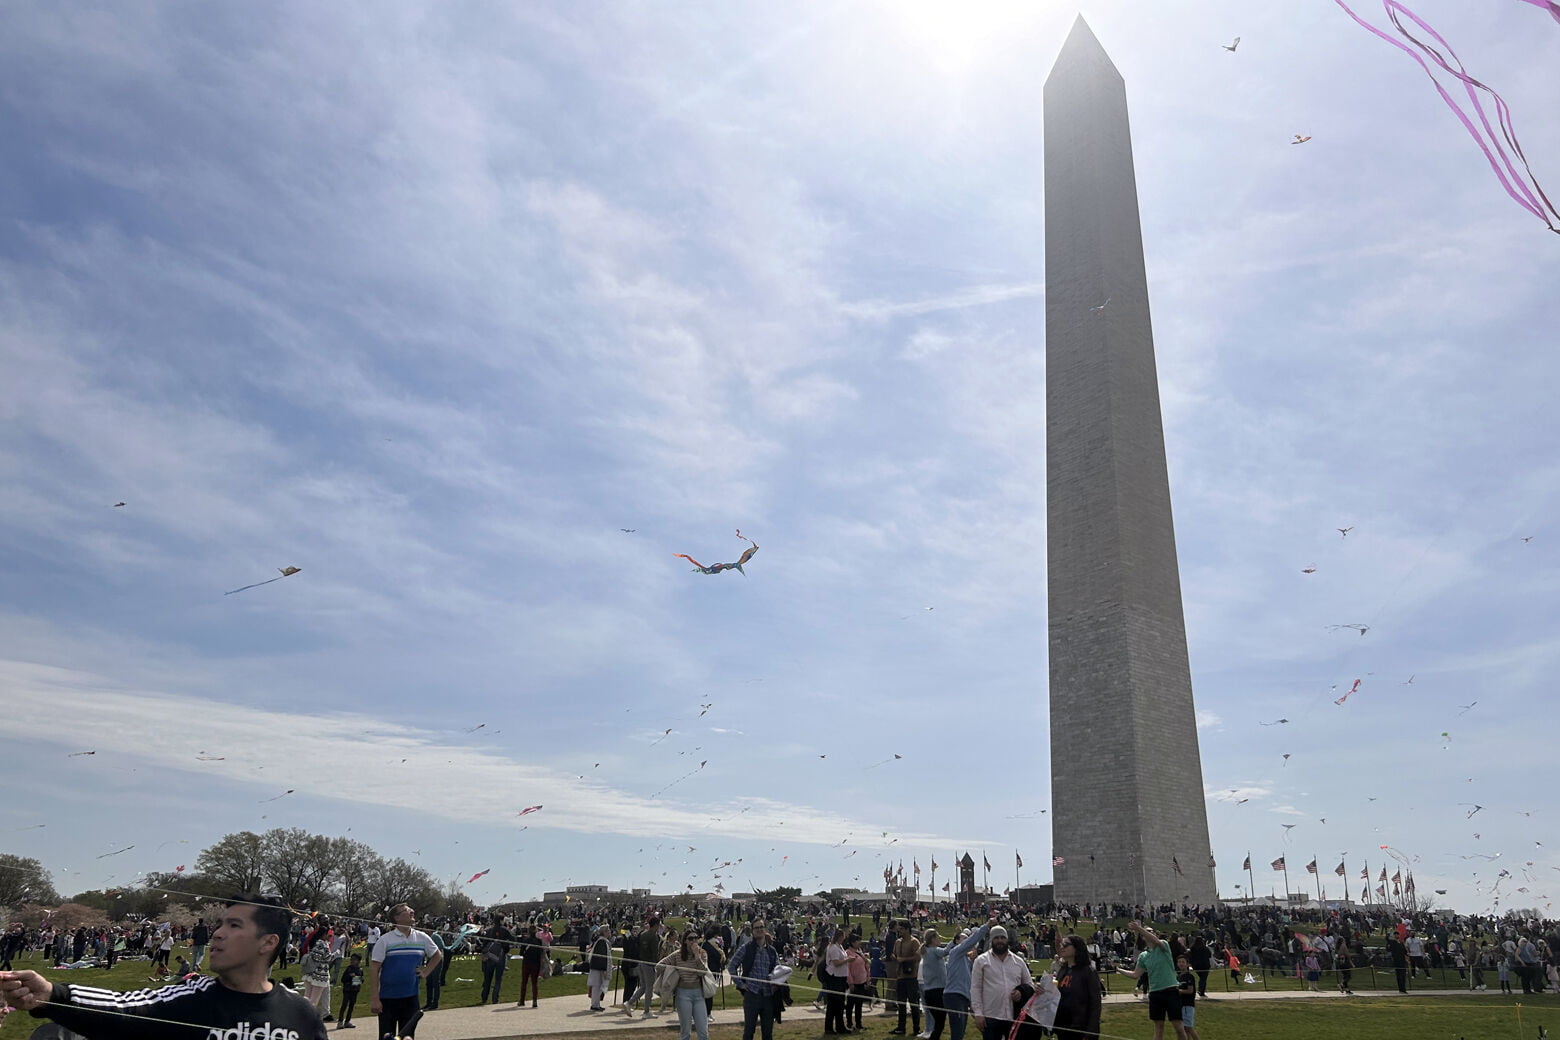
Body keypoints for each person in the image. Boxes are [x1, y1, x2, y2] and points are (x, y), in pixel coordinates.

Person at [0, 894, 327, 1040]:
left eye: (234, 926)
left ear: (268, 943)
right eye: (220, 924)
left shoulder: (302, 1014)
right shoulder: (191, 997)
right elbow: (123, 1009)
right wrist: (51, 994)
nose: (217, 933)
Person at [369, 903, 441, 1040]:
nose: (412, 912)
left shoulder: (422, 937)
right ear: (397, 918)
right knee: (386, 1037)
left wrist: (425, 972)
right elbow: (374, 968)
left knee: (407, 1037)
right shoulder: (385, 940)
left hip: (411, 998)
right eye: (407, 911)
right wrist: (374, 998)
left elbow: (437, 955)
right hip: (387, 999)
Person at [1116, 921, 1185, 1040]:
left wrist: (1139, 928)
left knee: (1178, 1026)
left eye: (1152, 931)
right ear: (1143, 937)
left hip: (1171, 991)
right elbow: (1135, 974)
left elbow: (1157, 941)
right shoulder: (1144, 955)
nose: (1151, 933)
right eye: (1148, 932)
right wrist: (1118, 969)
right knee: (1158, 1028)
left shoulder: (1163, 945)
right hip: (1155, 993)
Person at [970, 924, 1032, 1040]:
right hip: (990, 1016)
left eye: (1002, 938)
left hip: (1013, 1016)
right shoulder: (981, 961)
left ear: (1007, 940)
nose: (1000, 941)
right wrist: (978, 1013)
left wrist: (1021, 992)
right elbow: (975, 988)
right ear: (991, 940)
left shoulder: (1018, 961)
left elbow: (1029, 985)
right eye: (996, 938)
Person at [730, 919, 780, 1040]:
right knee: (749, 1032)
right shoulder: (746, 948)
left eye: (761, 927)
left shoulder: (772, 951)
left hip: (768, 996)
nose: (759, 930)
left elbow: (778, 970)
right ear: (752, 931)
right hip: (752, 995)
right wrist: (741, 985)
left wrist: (777, 981)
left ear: (765, 929)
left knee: (767, 1033)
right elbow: (731, 967)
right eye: (756, 928)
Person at [659, 930, 711, 1040]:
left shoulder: (702, 953)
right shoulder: (677, 955)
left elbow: (702, 972)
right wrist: (673, 972)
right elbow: (659, 966)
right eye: (691, 939)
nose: (694, 941)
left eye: (696, 938)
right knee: (685, 1032)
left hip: (698, 994)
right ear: (685, 941)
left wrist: (697, 956)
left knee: (703, 1032)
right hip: (683, 994)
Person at [1051, 934, 1101, 1040]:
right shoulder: (1063, 970)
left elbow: (1095, 1004)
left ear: (1077, 947)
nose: (1062, 947)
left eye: (1066, 945)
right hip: (1063, 1027)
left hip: (1080, 1028)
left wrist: (1091, 1031)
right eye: (1061, 945)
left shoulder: (1088, 972)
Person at [890, 919, 923, 1037]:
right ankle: (901, 1027)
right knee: (901, 1003)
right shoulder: (897, 942)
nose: (899, 932)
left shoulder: (915, 942)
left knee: (914, 1003)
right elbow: (893, 954)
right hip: (900, 976)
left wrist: (904, 959)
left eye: (901, 929)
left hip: (912, 976)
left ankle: (916, 1028)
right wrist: (895, 957)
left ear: (907, 929)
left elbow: (918, 957)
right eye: (898, 929)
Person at [627, 914, 664, 1018]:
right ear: (656, 925)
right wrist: (658, 963)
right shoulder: (653, 936)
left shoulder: (643, 934)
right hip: (649, 964)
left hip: (641, 962)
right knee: (649, 987)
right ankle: (646, 1011)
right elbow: (654, 953)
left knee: (643, 986)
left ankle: (629, 1002)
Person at [918, 926, 948, 1040]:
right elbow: (946, 951)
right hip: (937, 991)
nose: (939, 940)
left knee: (938, 1023)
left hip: (930, 991)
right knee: (940, 1022)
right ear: (933, 939)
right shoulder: (934, 951)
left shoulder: (926, 952)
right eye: (938, 938)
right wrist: (954, 942)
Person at [301, 931, 335, 1022]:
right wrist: (336, 953)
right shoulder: (323, 945)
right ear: (323, 935)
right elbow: (328, 958)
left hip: (310, 972)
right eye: (328, 935)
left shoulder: (314, 943)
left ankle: (302, 1015)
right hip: (320, 974)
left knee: (307, 996)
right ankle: (307, 1019)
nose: (329, 937)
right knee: (314, 999)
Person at [478, 915, 511, 1005]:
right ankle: (495, 999)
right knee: (498, 979)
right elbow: (513, 939)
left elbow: (484, 943)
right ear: (501, 920)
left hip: (490, 957)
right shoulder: (505, 930)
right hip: (500, 956)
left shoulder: (489, 931)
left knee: (487, 978)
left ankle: (484, 998)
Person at [824, 928, 850, 1035]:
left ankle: (840, 1026)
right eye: (843, 936)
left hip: (841, 977)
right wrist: (848, 960)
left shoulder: (840, 947)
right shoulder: (834, 948)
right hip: (835, 978)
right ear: (840, 936)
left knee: (839, 1004)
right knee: (833, 1004)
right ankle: (829, 1028)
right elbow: (836, 963)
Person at [845, 935, 871, 1032]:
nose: (859, 942)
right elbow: (847, 969)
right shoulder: (848, 953)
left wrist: (868, 979)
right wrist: (850, 983)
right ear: (852, 942)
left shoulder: (860, 952)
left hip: (862, 982)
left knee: (859, 1005)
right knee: (850, 1005)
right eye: (857, 941)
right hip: (853, 983)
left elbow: (866, 965)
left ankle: (859, 1023)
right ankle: (849, 1023)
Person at [517, 924, 544, 1008]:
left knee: (524, 982)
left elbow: (521, 953)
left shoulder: (525, 941)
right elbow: (541, 953)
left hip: (527, 963)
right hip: (536, 963)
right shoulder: (539, 941)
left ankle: (522, 1000)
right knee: (534, 983)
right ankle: (534, 1001)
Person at [1175, 955, 1201, 1040]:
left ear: (1187, 964)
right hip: (1180, 1004)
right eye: (1179, 962)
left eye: (1183, 962)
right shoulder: (1178, 976)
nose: (1181, 964)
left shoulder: (1189, 977)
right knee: (1183, 1029)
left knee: (1188, 1027)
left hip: (1188, 1005)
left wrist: (1178, 991)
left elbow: (1190, 990)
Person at [587, 926, 612, 1012]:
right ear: (604, 932)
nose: (609, 932)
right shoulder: (601, 942)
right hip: (598, 968)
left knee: (598, 986)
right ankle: (594, 1005)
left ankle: (597, 1004)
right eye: (608, 931)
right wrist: (604, 969)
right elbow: (601, 957)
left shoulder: (603, 941)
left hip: (598, 967)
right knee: (596, 986)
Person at [339, 952, 364, 1029]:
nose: (352, 961)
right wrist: (349, 976)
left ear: (359, 961)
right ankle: (340, 1021)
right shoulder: (349, 968)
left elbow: (361, 980)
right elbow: (343, 979)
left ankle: (347, 1021)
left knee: (351, 1006)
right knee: (344, 1005)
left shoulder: (360, 970)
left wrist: (357, 978)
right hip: (347, 990)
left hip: (355, 990)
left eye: (354, 960)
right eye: (351, 959)